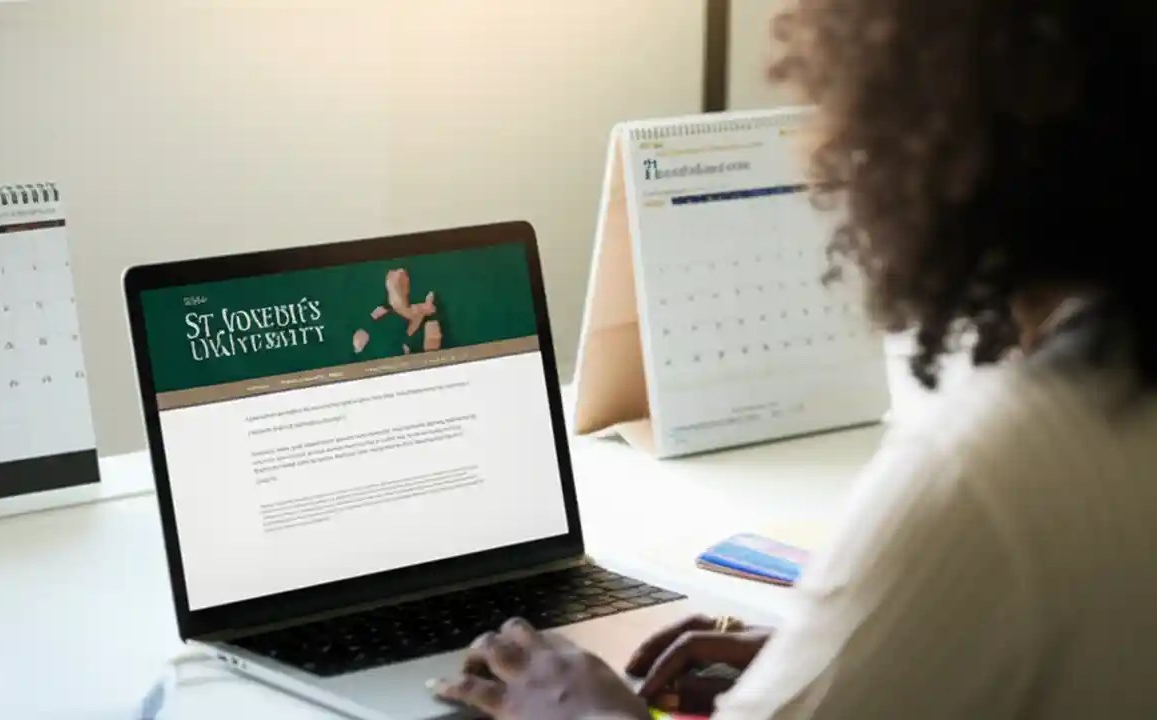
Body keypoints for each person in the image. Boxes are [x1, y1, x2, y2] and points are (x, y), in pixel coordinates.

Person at [430, 0, 1157, 717]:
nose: (829, 159)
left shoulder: (980, 473)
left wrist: (579, 711)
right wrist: (854, 652)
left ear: (939, 139)